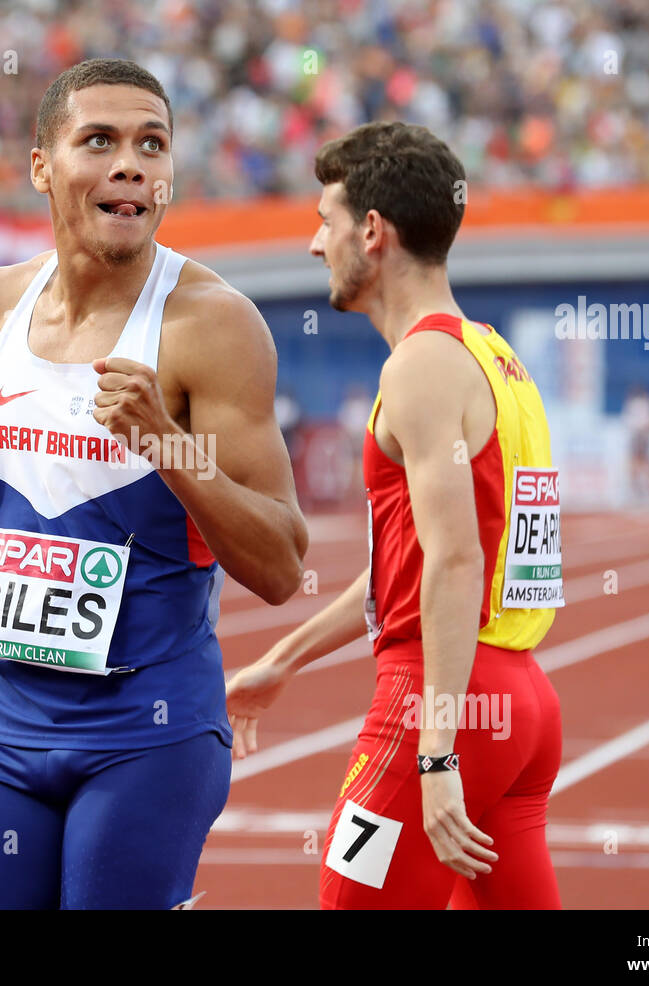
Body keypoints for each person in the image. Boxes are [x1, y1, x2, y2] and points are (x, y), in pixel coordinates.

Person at [0, 58, 308, 909]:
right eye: (98, 140)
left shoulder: (212, 326)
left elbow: (283, 564)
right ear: (42, 166)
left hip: (150, 734)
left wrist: (168, 444)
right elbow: (7, 489)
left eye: (152, 144)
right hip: (8, 737)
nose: (131, 164)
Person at [225, 121, 565, 910]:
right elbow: (403, 566)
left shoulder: (419, 367)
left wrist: (439, 754)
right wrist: (288, 655)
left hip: (440, 703)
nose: (316, 245)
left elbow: (454, 563)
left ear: (372, 232)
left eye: (325, 221)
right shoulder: (494, 358)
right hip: (522, 705)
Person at [622, 383, 649, 505]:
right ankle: (644, 493)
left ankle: (648, 493)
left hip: (642, 435)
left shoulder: (639, 404)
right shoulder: (646, 403)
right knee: (640, 465)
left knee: (641, 465)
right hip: (642, 435)